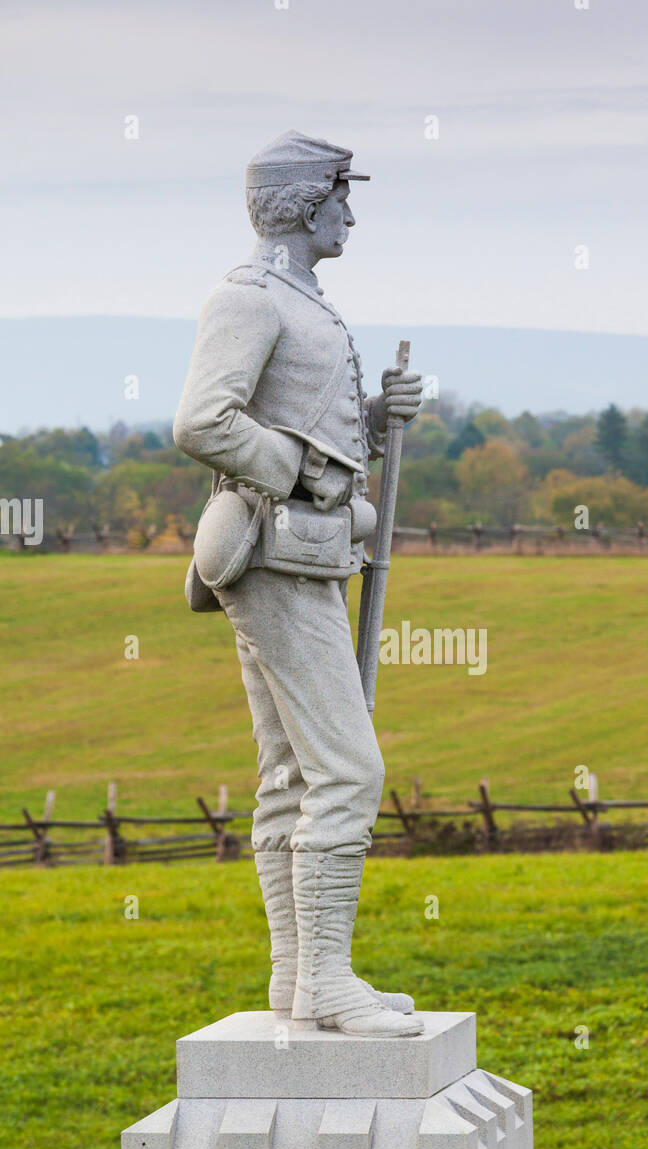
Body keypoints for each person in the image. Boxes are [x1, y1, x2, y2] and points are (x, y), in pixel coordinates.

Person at [174, 130, 424, 1037]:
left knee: (288, 773)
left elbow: (308, 421)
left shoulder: (300, 299)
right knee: (350, 770)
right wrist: (293, 468)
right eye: (338, 196)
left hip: (308, 551)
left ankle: (297, 983)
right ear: (299, 203)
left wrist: (371, 422)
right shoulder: (247, 300)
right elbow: (203, 419)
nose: (348, 213)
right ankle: (329, 982)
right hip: (273, 549)